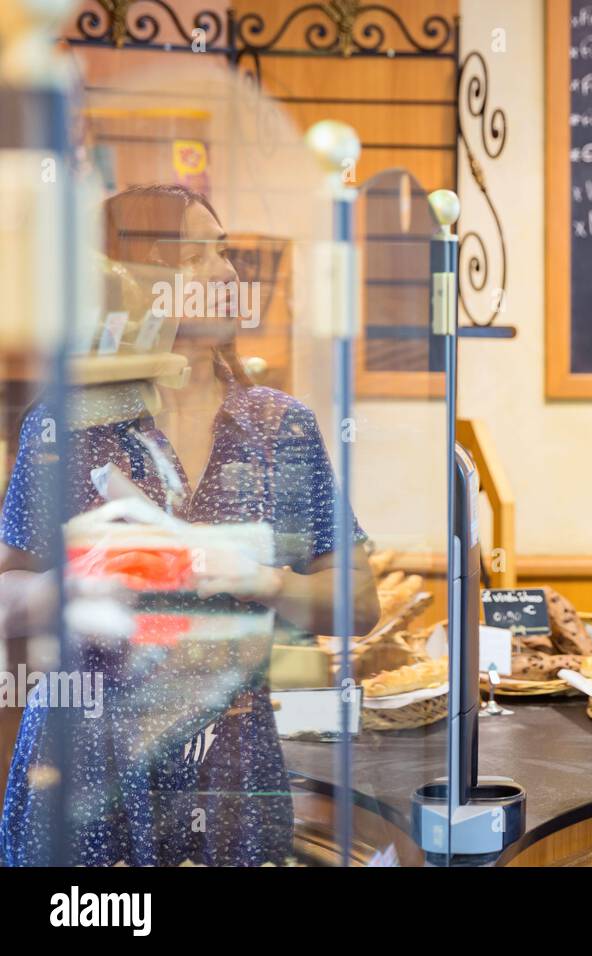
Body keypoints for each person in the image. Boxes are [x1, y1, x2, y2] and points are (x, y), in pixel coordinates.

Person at [0, 183, 379, 866]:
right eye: (194, 254)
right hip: (87, 765)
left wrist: (258, 577)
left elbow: (361, 602)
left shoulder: (280, 426)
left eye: (223, 251)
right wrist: (78, 582)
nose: (226, 273)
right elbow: (6, 602)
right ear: (126, 280)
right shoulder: (64, 425)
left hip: (232, 771)